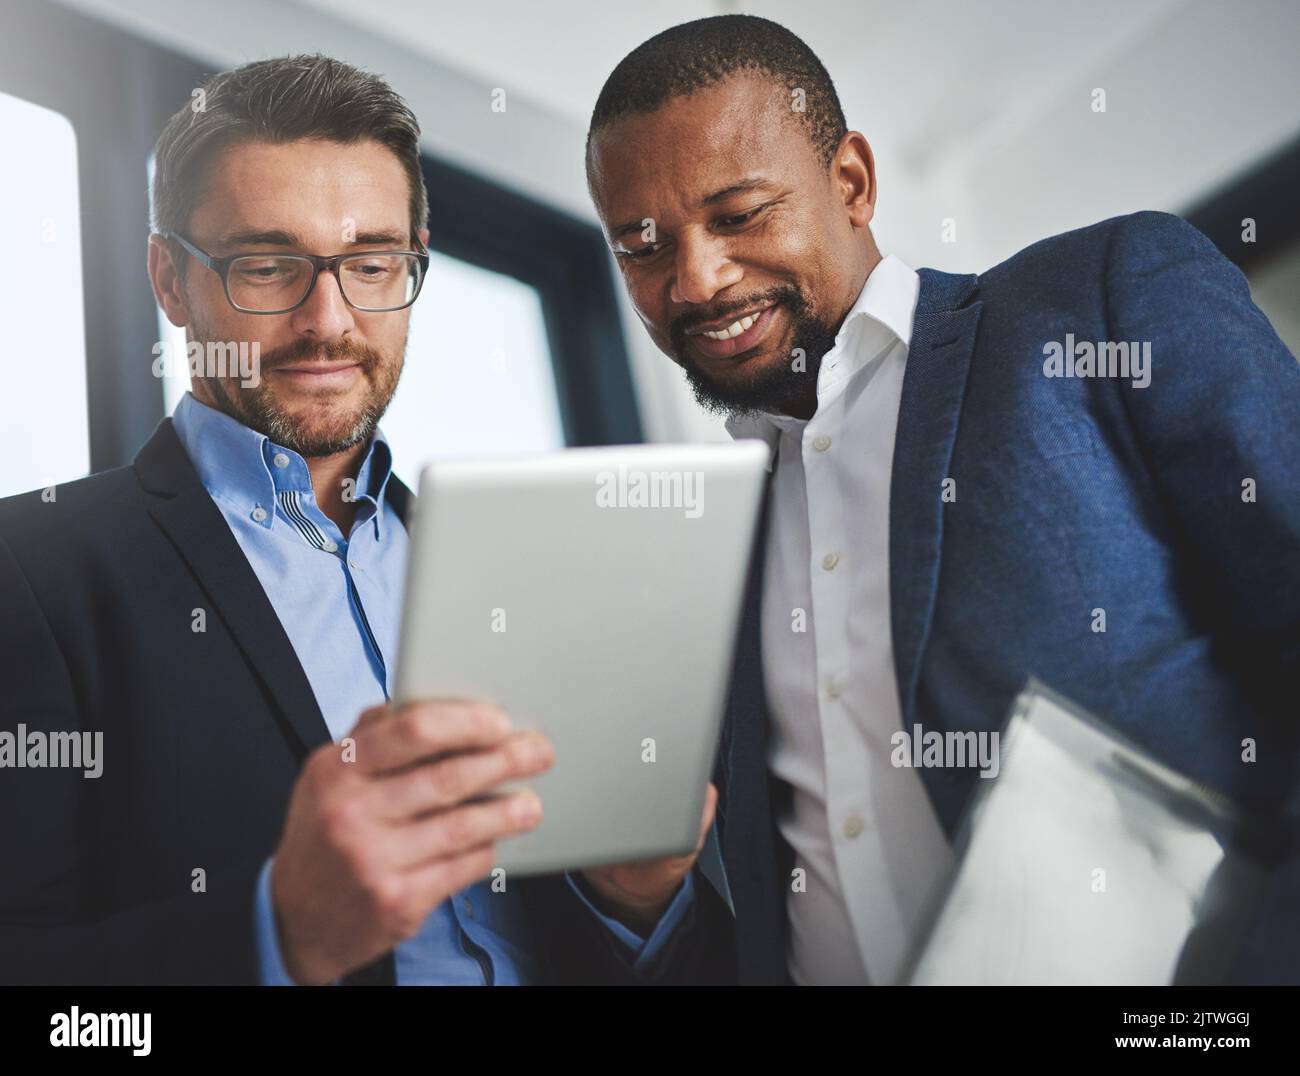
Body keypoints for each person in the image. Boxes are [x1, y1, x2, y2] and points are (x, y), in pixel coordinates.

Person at [585, 15, 1300, 984]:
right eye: (643, 244)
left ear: (851, 183)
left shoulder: (1101, 298)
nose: (696, 277)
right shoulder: (700, 552)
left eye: (740, 213)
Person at [0, 53, 727, 986]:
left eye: (372, 263)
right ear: (171, 281)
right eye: (268, 265)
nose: (328, 320)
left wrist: (635, 903)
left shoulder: (513, 580)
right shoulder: (30, 569)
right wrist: (277, 935)